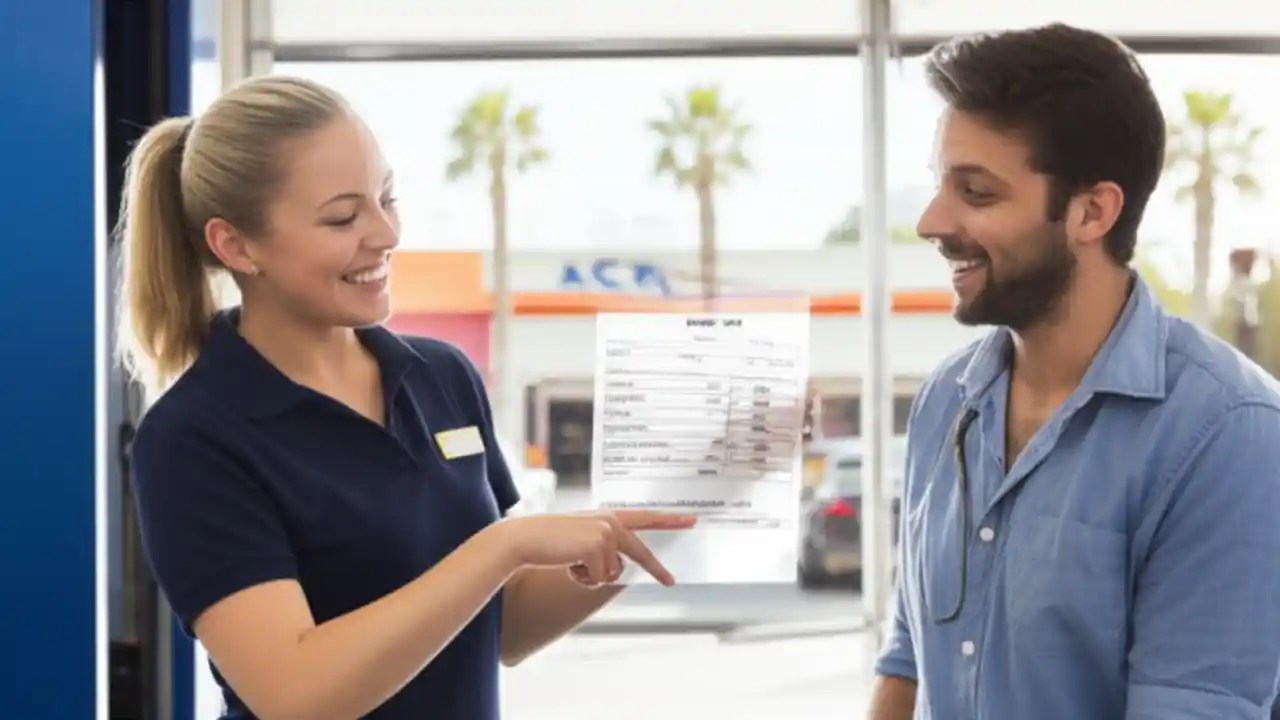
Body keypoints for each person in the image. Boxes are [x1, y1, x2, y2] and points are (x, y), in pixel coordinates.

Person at [116, 75, 696, 720]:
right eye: (343, 216)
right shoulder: (194, 437)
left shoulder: (441, 376)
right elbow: (294, 693)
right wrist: (501, 547)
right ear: (237, 246)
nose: (386, 233)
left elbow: (500, 628)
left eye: (386, 198)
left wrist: (676, 505)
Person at [867, 24, 1280, 720]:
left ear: (1092, 211)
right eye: (942, 184)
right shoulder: (946, 400)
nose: (933, 220)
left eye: (976, 191)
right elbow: (909, 657)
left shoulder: (1229, 436)